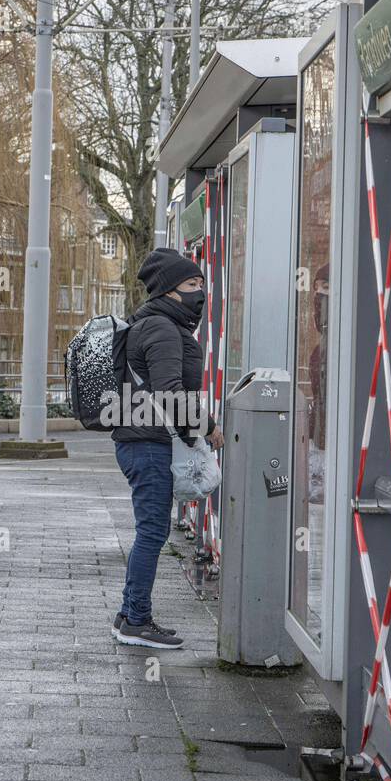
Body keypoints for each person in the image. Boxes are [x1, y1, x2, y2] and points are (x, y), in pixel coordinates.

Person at [111, 248, 225, 649]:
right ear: (169, 291)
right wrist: (207, 427)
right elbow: (169, 392)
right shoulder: (160, 328)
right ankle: (136, 621)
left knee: (150, 531)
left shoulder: (155, 324)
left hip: (143, 441)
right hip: (148, 444)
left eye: (200, 284)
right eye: (192, 285)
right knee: (152, 533)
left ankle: (129, 613)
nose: (200, 292)